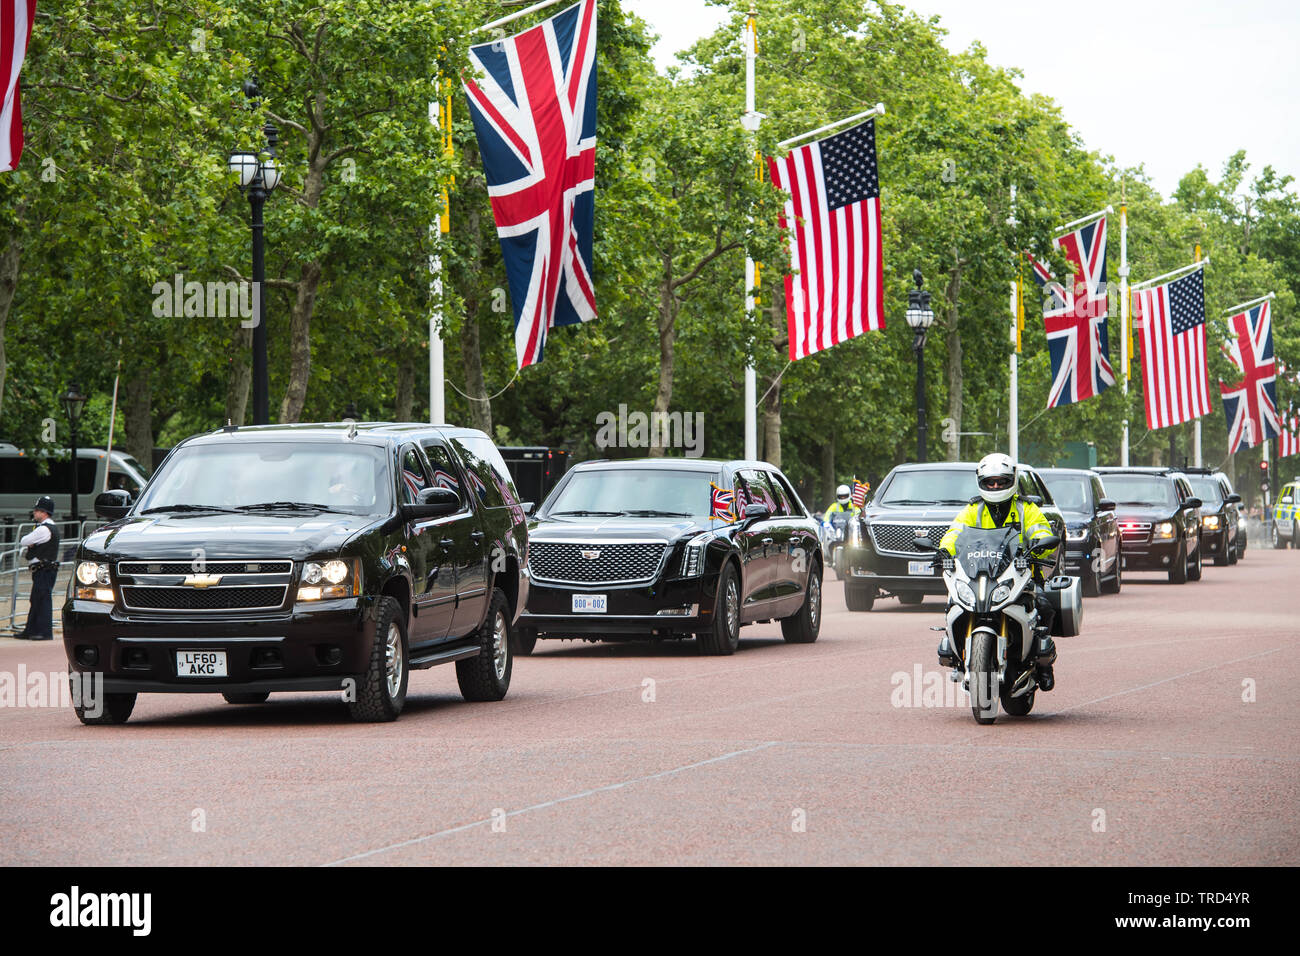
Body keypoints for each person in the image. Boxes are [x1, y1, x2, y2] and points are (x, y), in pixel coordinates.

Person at [936, 454, 1059, 690]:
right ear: (981, 482)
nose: (995, 486)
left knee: (1044, 605)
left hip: (1020, 573)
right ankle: (956, 655)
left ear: (1011, 480)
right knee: (954, 603)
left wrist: (1041, 545)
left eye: (1001, 481)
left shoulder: (1026, 508)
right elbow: (954, 533)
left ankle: (1044, 664)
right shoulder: (973, 509)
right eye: (990, 482)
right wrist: (944, 551)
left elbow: (1042, 531)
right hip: (980, 573)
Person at [14, 496, 60, 641]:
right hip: (43, 569)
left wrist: (31, 543)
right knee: (36, 599)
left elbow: (24, 541)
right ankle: (31, 630)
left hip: (44, 570)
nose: (34, 513)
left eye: (37, 510)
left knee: (43, 600)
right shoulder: (47, 528)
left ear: (44, 512)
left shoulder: (44, 529)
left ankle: (44, 632)